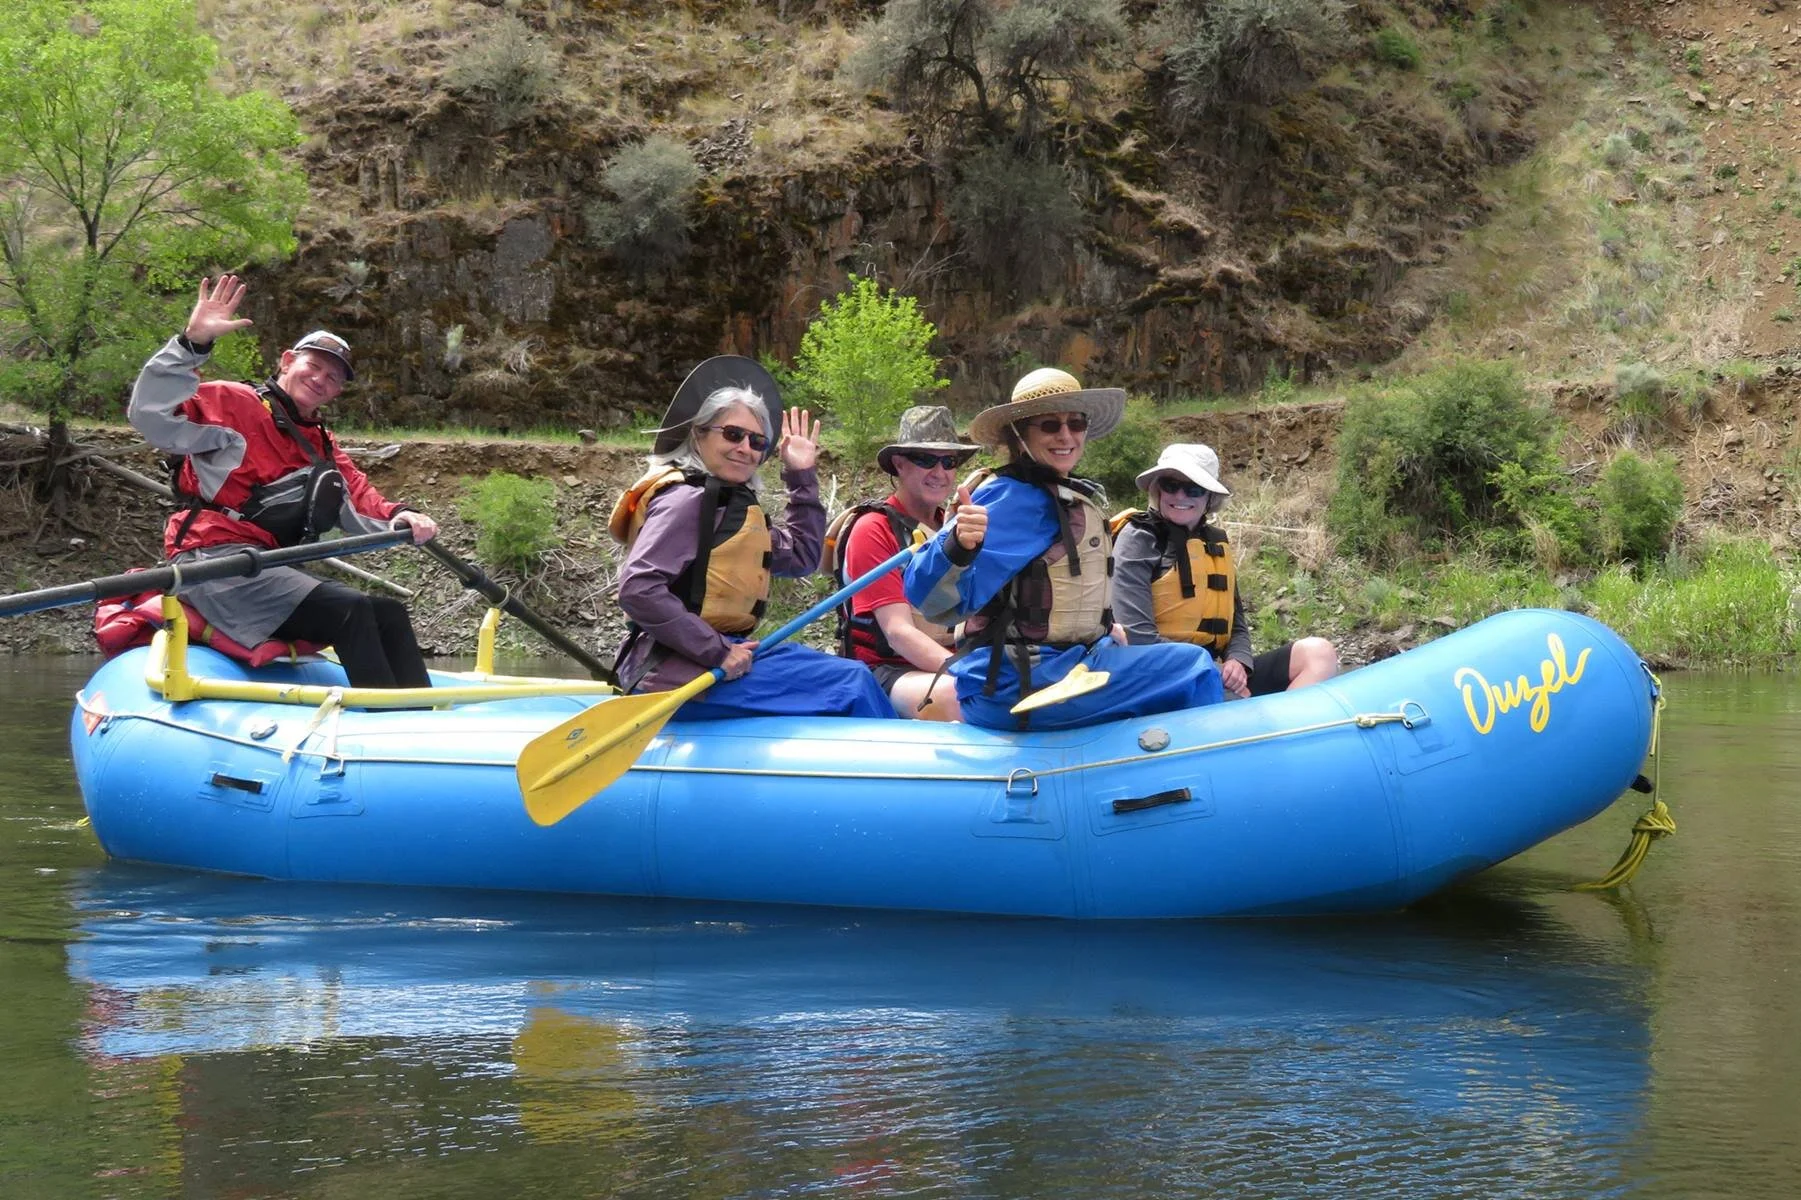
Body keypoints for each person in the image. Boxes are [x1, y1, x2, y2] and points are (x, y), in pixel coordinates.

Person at [127, 275, 439, 689]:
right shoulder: (233, 402)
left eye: (333, 378)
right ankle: (382, 723)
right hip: (214, 564)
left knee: (389, 612)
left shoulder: (319, 443)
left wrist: (401, 516)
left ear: (337, 392)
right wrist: (192, 344)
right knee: (352, 609)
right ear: (288, 360)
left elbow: (359, 496)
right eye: (314, 366)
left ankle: (420, 715)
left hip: (267, 567)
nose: (320, 380)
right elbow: (150, 414)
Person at [903, 368, 1223, 730]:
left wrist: (1101, 630)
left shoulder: (1053, 491)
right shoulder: (1014, 497)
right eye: (1050, 425)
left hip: (1061, 666)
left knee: (1142, 658)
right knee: (1193, 668)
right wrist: (957, 545)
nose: (1066, 435)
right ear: (1020, 434)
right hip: (1021, 684)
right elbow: (930, 599)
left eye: (1076, 423)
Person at [607, 355, 894, 720]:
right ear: (698, 434)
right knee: (851, 682)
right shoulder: (686, 500)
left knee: (848, 674)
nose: (745, 447)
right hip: (673, 671)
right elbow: (638, 588)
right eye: (732, 434)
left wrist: (801, 474)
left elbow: (803, 557)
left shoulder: (728, 507)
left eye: (757, 441)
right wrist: (717, 652)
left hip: (722, 653)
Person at [1113, 443, 1339, 697]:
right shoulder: (1138, 539)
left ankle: (1278, 730)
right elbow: (1137, 636)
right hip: (1159, 678)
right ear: (1158, 489)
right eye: (1171, 485)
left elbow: (1236, 623)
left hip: (1213, 671)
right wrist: (1212, 670)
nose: (1180, 496)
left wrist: (1238, 662)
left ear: (1209, 498)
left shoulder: (1215, 543)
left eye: (1193, 489)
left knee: (1318, 653)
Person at [829, 407, 982, 720]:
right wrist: (965, 672)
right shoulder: (873, 528)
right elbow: (898, 633)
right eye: (925, 460)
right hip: (886, 671)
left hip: (950, 661)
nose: (940, 472)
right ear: (899, 464)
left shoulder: (956, 528)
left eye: (948, 461)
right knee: (964, 697)